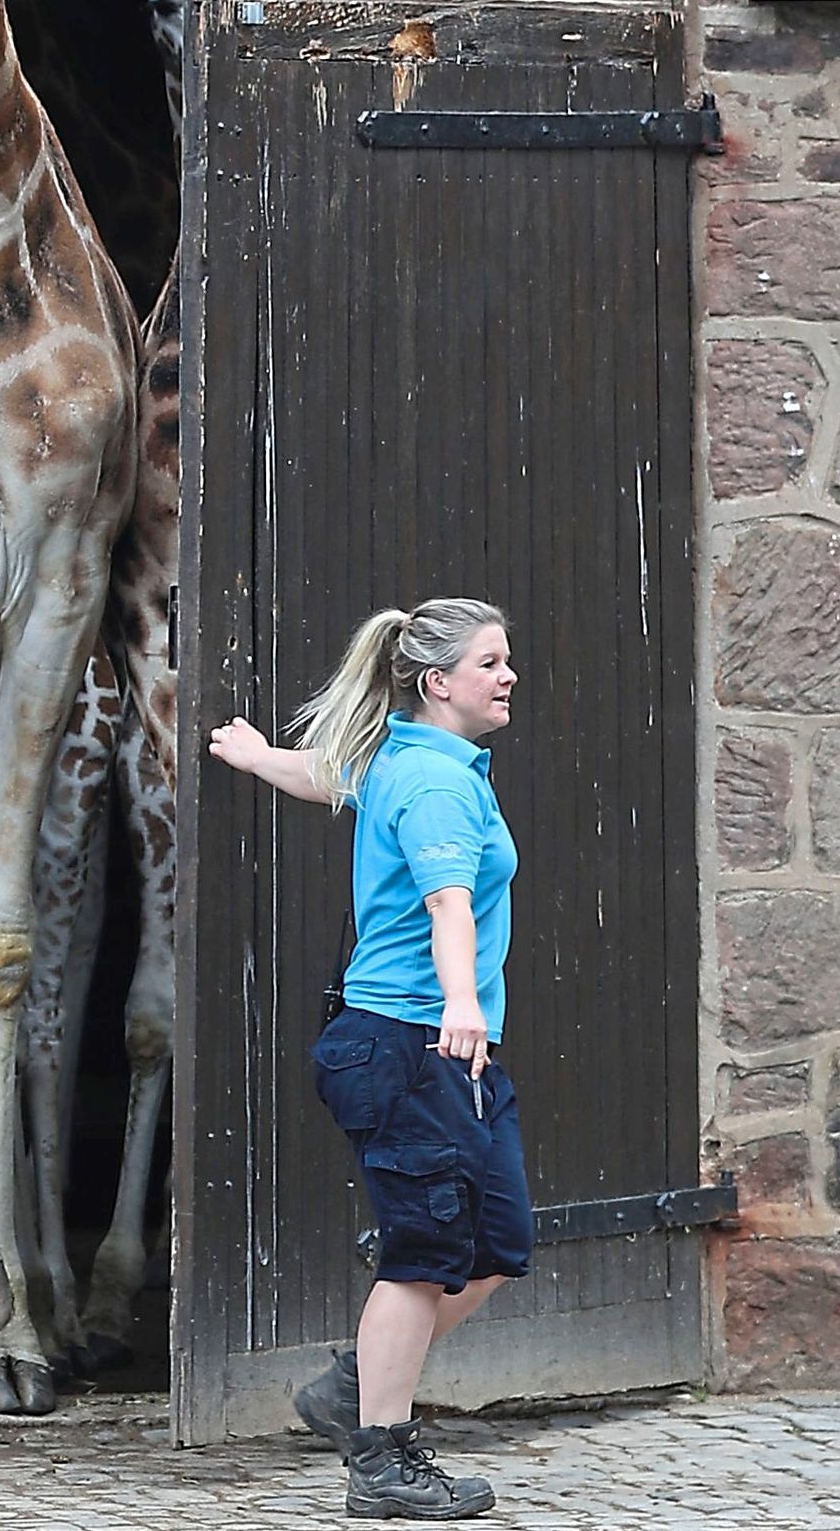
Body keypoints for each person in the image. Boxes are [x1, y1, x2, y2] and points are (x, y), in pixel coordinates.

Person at [209, 599, 531, 1523]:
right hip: (412, 1042)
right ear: (438, 682)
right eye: (489, 663)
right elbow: (447, 903)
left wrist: (259, 758)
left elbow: (327, 775)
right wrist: (462, 1003)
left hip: (440, 1050)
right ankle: (382, 1460)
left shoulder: (408, 758)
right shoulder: (432, 785)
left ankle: (357, 1385)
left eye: (505, 660)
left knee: (498, 1241)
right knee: (424, 1254)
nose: (508, 676)